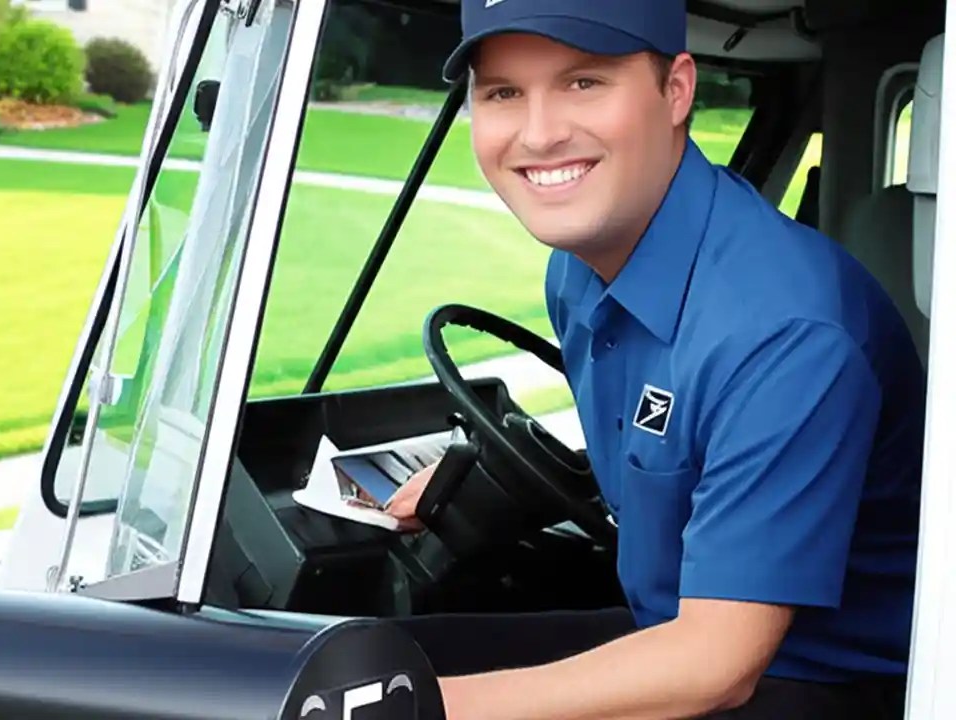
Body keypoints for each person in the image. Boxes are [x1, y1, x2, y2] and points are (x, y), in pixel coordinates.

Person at [382, 1, 927, 718]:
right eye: (503, 93)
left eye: (584, 83)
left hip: (819, 683)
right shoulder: (577, 273)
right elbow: (664, 440)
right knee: (365, 654)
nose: (539, 134)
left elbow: (714, 666)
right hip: (675, 628)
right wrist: (489, 483)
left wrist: (404, 712)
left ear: (676, 91)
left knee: (381, 692)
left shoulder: (786, 333)